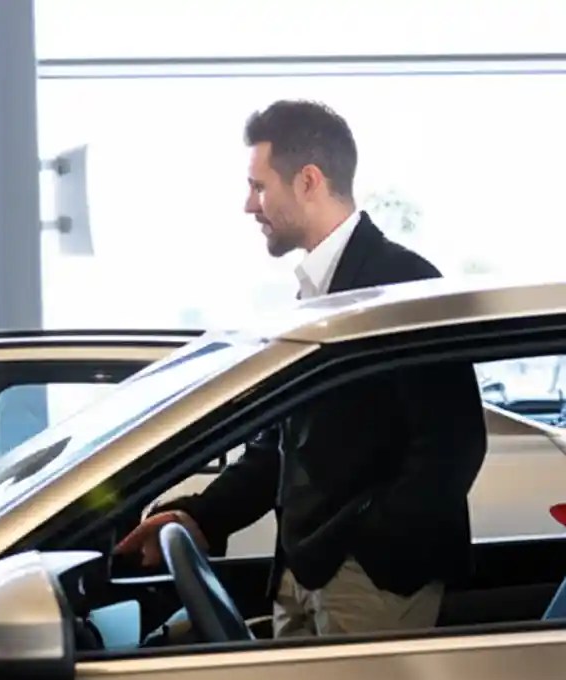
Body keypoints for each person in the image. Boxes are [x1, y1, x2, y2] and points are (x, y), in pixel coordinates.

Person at [116, 100, 488, 637]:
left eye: (259, 186)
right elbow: (277, 448)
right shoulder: (311, 293)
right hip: (302, 575)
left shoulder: (401, 281)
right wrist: (201, 517)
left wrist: (364, 551)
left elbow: (454, 446)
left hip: (371, 581)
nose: (249, 205)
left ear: (308, 180)